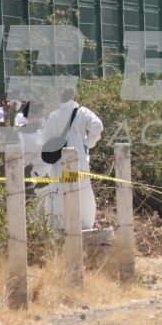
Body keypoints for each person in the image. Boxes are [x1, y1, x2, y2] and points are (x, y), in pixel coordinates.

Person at [33, 87, 103, 230]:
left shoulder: (53, 115)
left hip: (59, 162)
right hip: (79, 161)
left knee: (59, 193)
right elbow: (98, 127)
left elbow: (44, 140)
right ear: (75, 97)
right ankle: (84, 224)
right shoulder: (83, 112)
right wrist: (88, 142)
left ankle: (59, 225)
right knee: (83, 192)